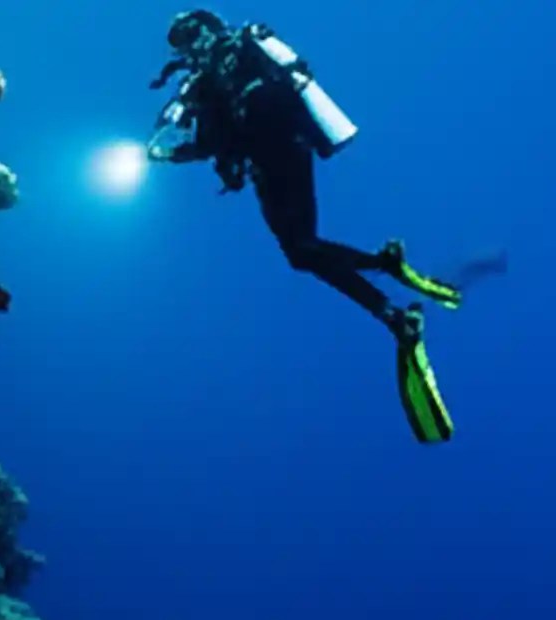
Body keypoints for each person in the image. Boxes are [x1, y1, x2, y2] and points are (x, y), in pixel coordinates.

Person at [148, 9, 500, 443]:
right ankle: (389, 291)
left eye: (182, 42)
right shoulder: (240, 52)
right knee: (305, 248)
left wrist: (166, 154)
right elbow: (236, 126)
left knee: (300, 251)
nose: (185, 51)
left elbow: (211, 142)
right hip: (292, 146)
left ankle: (390, 303)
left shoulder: (212, 77)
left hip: (269, 155)